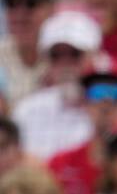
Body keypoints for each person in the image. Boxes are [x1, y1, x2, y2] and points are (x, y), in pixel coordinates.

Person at [12, 11, 104, 159]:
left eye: (75, 54)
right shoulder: (27, 110)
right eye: (56, 55)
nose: (65, 63)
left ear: (95, 56)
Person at [47, 61, 117, 194]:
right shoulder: (61, 163)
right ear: (84, 104)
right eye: (96, 92)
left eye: (116, 93)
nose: (106, 101)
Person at [0, 0, 54, 106]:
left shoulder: (68, 54)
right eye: (12, 4)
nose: (20, 15)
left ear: (51, 8)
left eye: (31, 3)